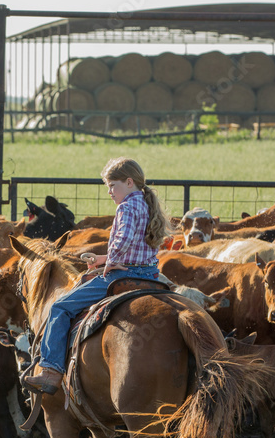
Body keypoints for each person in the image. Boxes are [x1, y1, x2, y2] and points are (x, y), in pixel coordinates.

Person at [24, 157, 173, 395]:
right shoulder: (145, 203)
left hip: (121, 276)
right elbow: (136, 245)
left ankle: (51, 371)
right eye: (108, 187)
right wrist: (103, 258)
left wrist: (110, 261)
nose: (110, 192)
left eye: (113, 186)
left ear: (129, 181)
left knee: (60, 308)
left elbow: (123, 240)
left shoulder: (126, 206)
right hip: (149, 274)